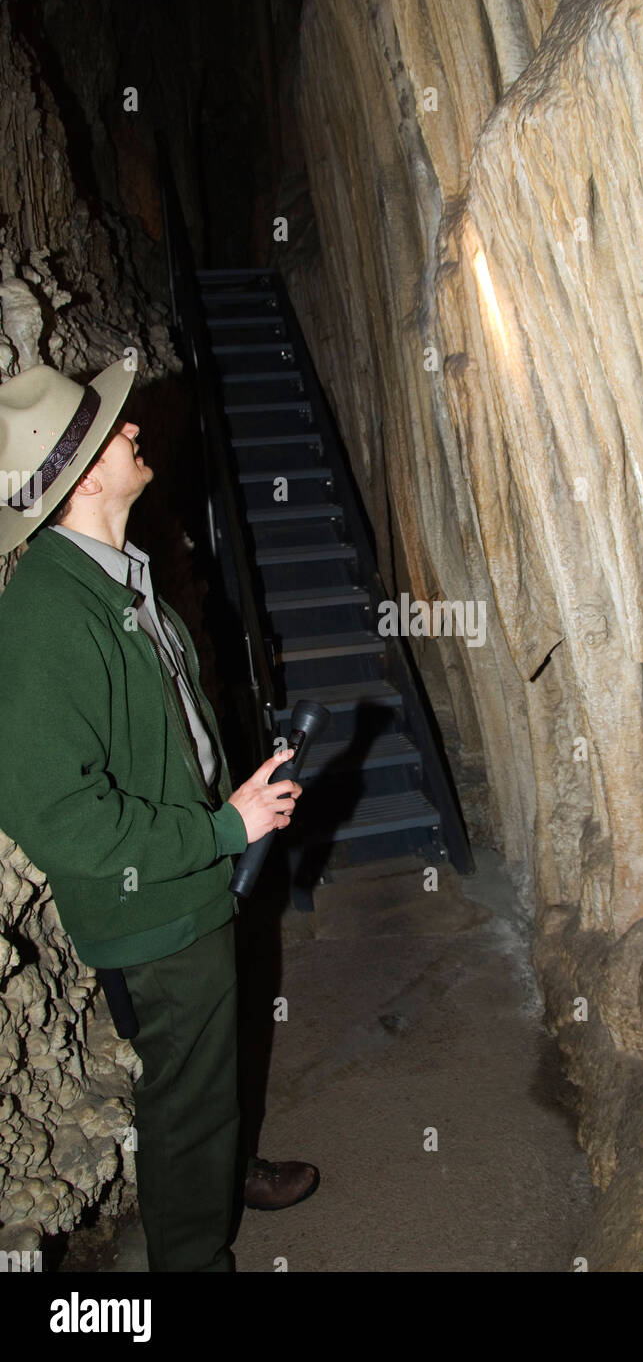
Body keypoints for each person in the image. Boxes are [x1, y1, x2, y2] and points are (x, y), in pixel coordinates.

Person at [0, 358, 319, 1272]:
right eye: (114, 429)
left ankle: (221, 1170)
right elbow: (61, 817)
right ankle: (192, 1254)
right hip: (152, 908)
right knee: (183, 1094)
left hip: (191, 881)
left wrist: (232, 801)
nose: (134, 429)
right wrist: (220, 832)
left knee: (200, 1077)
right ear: (84, 473)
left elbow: (165, 733)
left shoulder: (120, 576)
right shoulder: (44, 617)